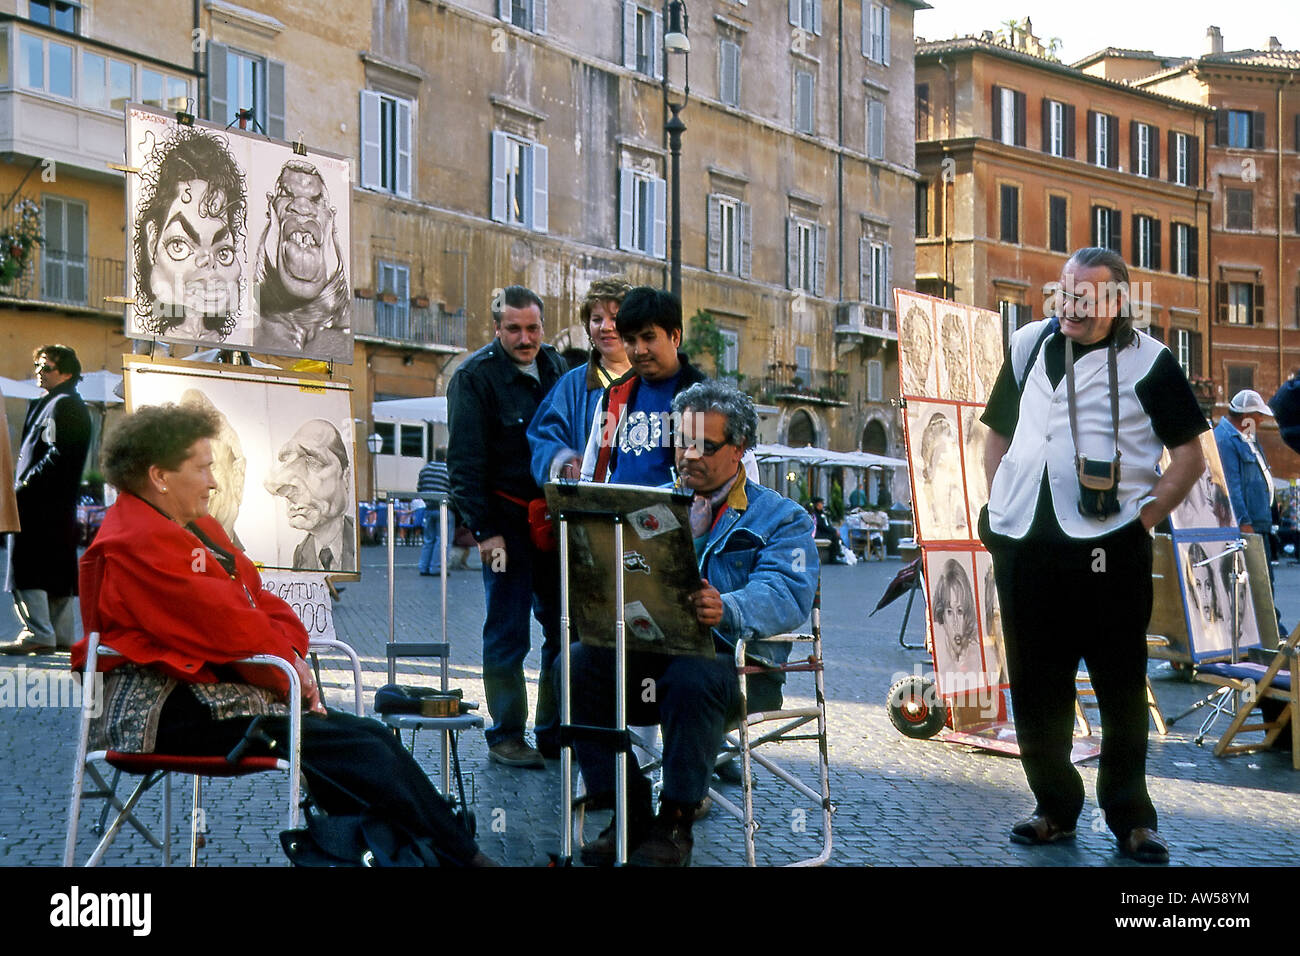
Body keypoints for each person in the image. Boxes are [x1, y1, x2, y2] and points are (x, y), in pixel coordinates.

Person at [71, 404, 491, 866]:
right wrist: (289, 669)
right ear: (159, 476)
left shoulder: (197, 529)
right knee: (362, 749)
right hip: (165, 714)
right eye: (203, 468)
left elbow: (260, 601)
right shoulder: (137, 540)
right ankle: (458, 858)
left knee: (368, 740)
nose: (214, 481)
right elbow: (225, 624)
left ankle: (432, 854)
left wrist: (291, 655)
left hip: (208, 696)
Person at [979, 247, 1207, 865]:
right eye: (1064, 293)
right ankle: (1053, 807)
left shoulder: (1150, 361)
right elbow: (997, 431)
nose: (1069, 308)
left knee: (1119, 687)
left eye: (1085, 298)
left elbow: (1190, 454)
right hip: (1025, 540)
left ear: (1116, 303)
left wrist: (1145, 518)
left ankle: (1133, 819)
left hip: (1110, 549)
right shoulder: (1028, 344)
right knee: (1035, 684)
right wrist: (999, 496)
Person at [571, 380, 818, 866]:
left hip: (738, 673)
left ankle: (678, 820)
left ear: (739, 450)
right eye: (682, 440)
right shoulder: (647, 503)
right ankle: (628, 805)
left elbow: (788, 593)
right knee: (577, 664)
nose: (689, 455)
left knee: (691, 674)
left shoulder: (780, 516)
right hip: (650, 661)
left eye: (706, 445)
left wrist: (728, 606)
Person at [447, 285, 566, 768]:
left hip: (554, 522)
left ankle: (556, 731)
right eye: (514, 328)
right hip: (504, 524)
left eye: (533, 328)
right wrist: (484, 531)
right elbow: (464, 464)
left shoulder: (558, 367)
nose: (524, 338)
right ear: (497, 328)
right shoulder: (474, 377)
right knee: (507, 631)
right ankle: (506, 736)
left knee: (566, 629)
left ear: (543, 327)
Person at [2, 346, 91, 655]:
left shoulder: (64, 405)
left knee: (28, 566)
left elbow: (58, 454)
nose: (39, 371)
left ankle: (38, 631)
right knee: (55, 568)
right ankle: (60, 634)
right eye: (37, 366)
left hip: (40, 504)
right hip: (52, 506)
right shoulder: (55, 403)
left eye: (46, 367)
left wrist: (24, 486)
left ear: (66, 372)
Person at [580, 287, 707, 484]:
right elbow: (592, 472)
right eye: (630, 340)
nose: (639, 350)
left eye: (648, 337)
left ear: (675, 336)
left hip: (680, 514)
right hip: (616, 513)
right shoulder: (614, 396)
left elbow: (736, 479)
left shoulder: (707, 399)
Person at [132, 126, 245, 342]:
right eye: (180, 245)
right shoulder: (154, 345)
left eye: (223, 252)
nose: (206, 263)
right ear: (153, 241)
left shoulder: (228, 343)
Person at [527, 276, 632, 484]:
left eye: (615, 318)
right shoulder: (571, 386)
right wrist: (562, 461)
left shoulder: (651, 383)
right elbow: (542, 440)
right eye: (597, 319)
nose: (606, 327)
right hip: (586, 508)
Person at [253, 160, 350, 360]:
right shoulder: (246, 329)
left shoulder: (343, 339)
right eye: (287, 195)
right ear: (270, 211)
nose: (302, 207)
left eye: (315, 200)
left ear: (331, 220)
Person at [263, 419, 355, 573]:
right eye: (287, 464)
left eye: (312, 462)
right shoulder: (301, 553)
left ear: (346, 477)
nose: (283, 487)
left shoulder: (358, 541)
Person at [932, 557, 978, 674]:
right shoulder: (941, 653)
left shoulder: (977, 655)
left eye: (960, 611)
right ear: (941, 614)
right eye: (949, 612)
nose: (955, 622)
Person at [416, 449, 450, 576]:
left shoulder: (426, 469)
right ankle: (436, 567)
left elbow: (420, 487)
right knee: (441, 539)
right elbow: (452, 488)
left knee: (428, 539)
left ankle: (423, 566)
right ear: (446, 457)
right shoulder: (447, 469)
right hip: (443, 507)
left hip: (429, 507)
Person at [809, 496, 844, 564]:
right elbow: (822, 526)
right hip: (817, 534)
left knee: (835, 536)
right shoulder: (815, 515)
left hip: (823, 532)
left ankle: (839, 552)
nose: (822, 505)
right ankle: (834, 557)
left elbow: (827, 525)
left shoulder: (822, 513)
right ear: (817, 505)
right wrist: (834, 531)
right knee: (834, 536)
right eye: (821, 503)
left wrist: (834, 530)